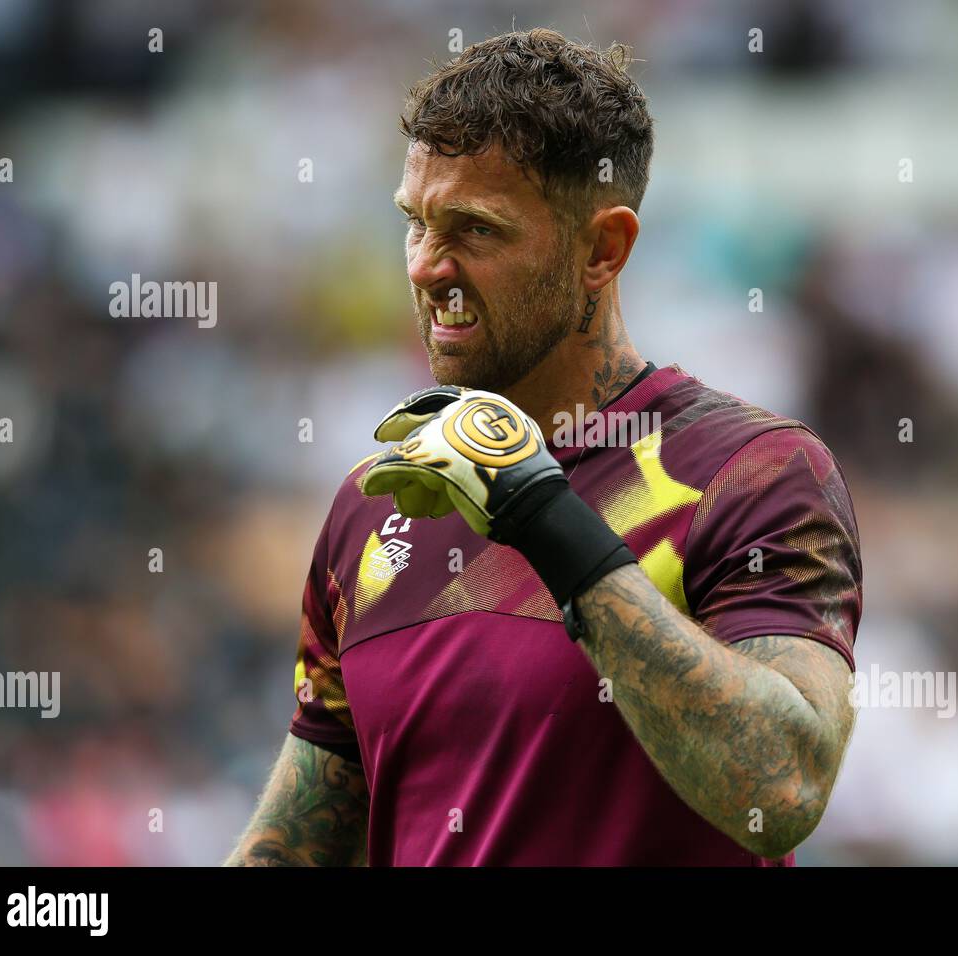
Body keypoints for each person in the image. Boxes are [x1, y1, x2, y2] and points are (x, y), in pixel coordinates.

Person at [226, 27, 862, 867]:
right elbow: (295, 848)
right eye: (416, 224)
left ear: (604, 249)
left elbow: (780, 787)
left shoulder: (754, 473)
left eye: (474, 231)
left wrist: (542, 513)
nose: (424, 266)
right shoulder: (375, 504)